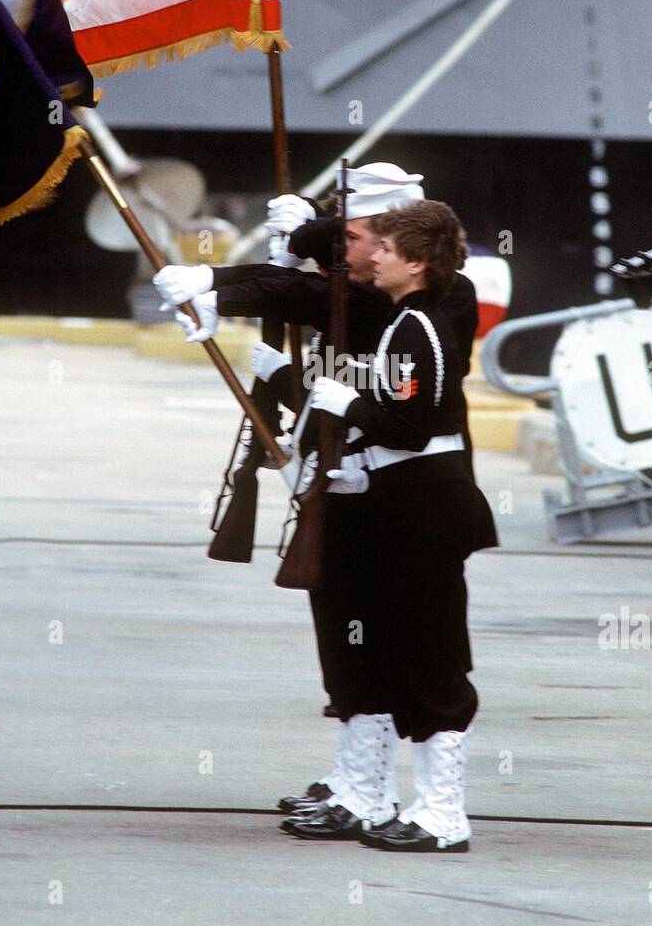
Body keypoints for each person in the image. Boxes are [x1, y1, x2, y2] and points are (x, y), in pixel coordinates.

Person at [152, 167, 494, 830]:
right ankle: (362, 789)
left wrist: (245, 269)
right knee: (352, 647)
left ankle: (440, 810)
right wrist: (278, 366)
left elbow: (333, 316)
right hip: (358, 492)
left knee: (424, 656)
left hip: (417, 500)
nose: (356, 252)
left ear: (408, 248)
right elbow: (311, 302)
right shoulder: (371, 296)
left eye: (365, 238)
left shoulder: (433, 304)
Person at [286, 201, 493, 852]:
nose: (372, 256)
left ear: (418, 262)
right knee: (392, 654)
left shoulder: (421, 328)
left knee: (431, 661)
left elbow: (413, 424)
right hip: (401, 504)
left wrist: (348, 402)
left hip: (427, 511)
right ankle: (378, 796)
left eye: (387, 248)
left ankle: (443, 814)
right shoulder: (406, 321)